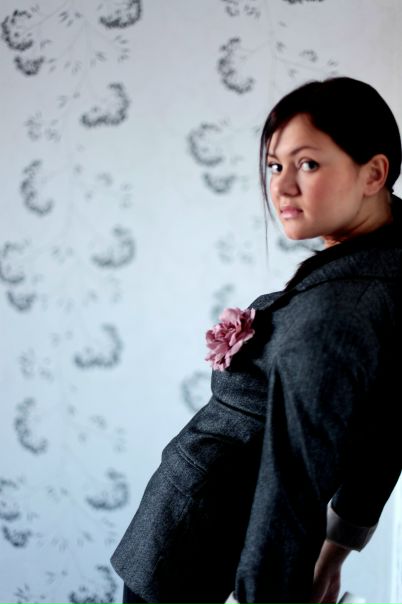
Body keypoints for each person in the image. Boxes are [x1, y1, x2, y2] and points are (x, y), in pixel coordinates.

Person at [110, 77, 402, 604]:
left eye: (307, 163)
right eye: (274, 165)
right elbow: (390, 422)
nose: (282, 187)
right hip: (191, 528)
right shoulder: (388, 261)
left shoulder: (339, 308)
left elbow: (291, 484)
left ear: (374, 173)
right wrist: (339, 544)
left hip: (202, 541)